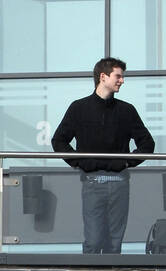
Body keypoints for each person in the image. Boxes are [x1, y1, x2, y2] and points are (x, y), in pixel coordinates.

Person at [51, 58, 155, 254]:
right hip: (92, 183)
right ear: (103, 77)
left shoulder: (126, 110)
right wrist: (81, 162)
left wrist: (126, 162)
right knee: (93, 241)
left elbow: (147, 143)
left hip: (119, 183)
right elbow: (59, 141)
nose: (122, 81)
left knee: (114, 245)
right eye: (118, 76)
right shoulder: (79, 108)